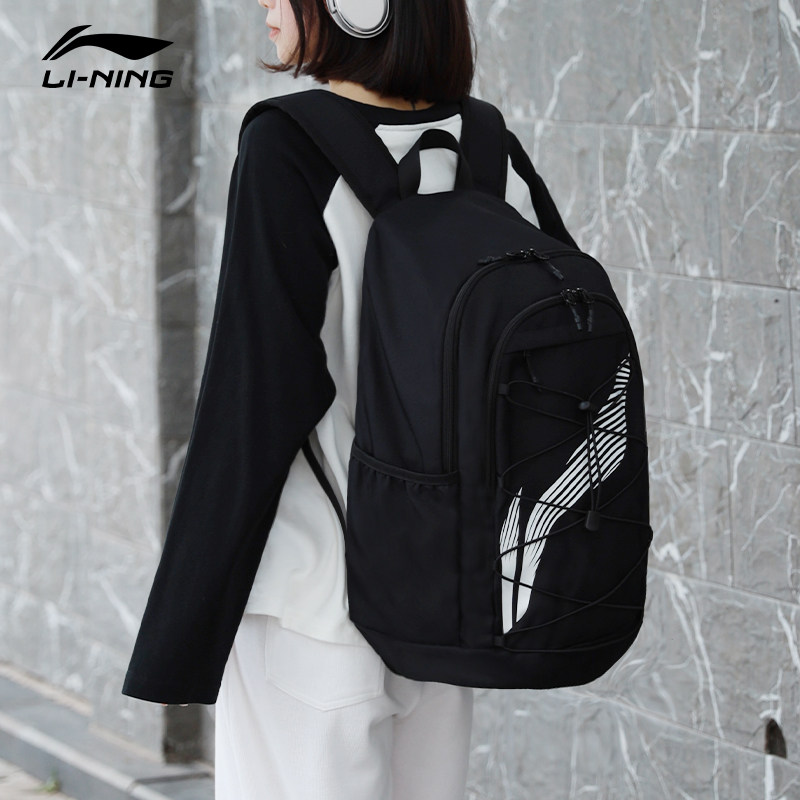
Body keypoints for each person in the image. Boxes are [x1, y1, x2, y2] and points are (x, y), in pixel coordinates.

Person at [122, 0, 552, 797]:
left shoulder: (289, 144)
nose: (266, 3)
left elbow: (253, 395)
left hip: (311, 599)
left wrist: (182, 623)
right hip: (441, 592)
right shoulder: (484, 143)